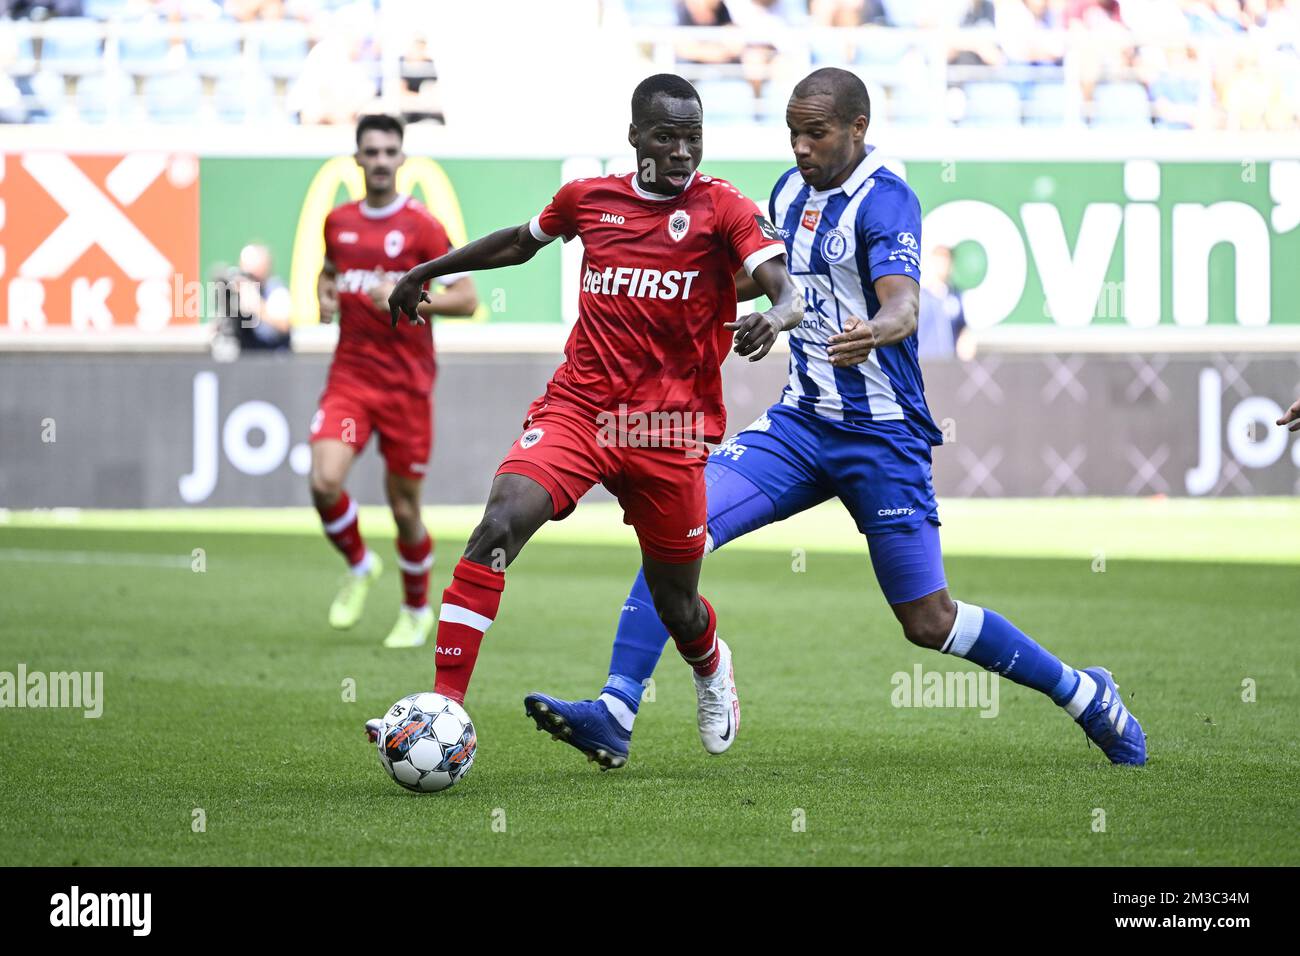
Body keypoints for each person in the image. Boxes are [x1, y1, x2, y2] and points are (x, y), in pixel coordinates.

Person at [527, 67, 1148, 770]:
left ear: (857, 128)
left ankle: (1086, 694)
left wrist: (878, 331)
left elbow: (904, 303)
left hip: (882, 437)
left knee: (928, 621)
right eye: (792, 132)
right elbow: (757, 274)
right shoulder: (789, 190)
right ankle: (616, 709)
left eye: (815, 133)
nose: (799, 147)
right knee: (680, 534)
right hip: (799, 424)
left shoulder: (887, 201)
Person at [373, 74, 799, 759]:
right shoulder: (589, 199)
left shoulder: (724, 208)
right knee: (500, 521)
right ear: (635, 137)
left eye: (693, 136)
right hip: (582, 410)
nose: (683, 151)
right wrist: (427, 270)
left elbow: (784, 287)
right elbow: (518, 241)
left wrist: (775, 317)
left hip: (670, 431)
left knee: (676, 603)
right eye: (667, 136)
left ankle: (710, 662)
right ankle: (443, 704)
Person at [311, 113, 478, 649]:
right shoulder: (338, 222)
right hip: (351, 376)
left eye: (389, 152)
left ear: (401, 160)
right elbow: (330, 271)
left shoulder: (421, 226)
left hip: (407, 385)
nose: (380, 161)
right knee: (323, 481)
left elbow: (467, 298)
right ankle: (360, 565)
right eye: (371, 152)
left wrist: (409, 297)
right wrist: (324, 295)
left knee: (404, 508)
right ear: (357, 159)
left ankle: (415, 608)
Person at [233, 243, 293, 352]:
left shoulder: (276, 290)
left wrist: (257, 305)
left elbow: (284, 325)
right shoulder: (237, 291)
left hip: (272, 358)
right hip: (245, 357)